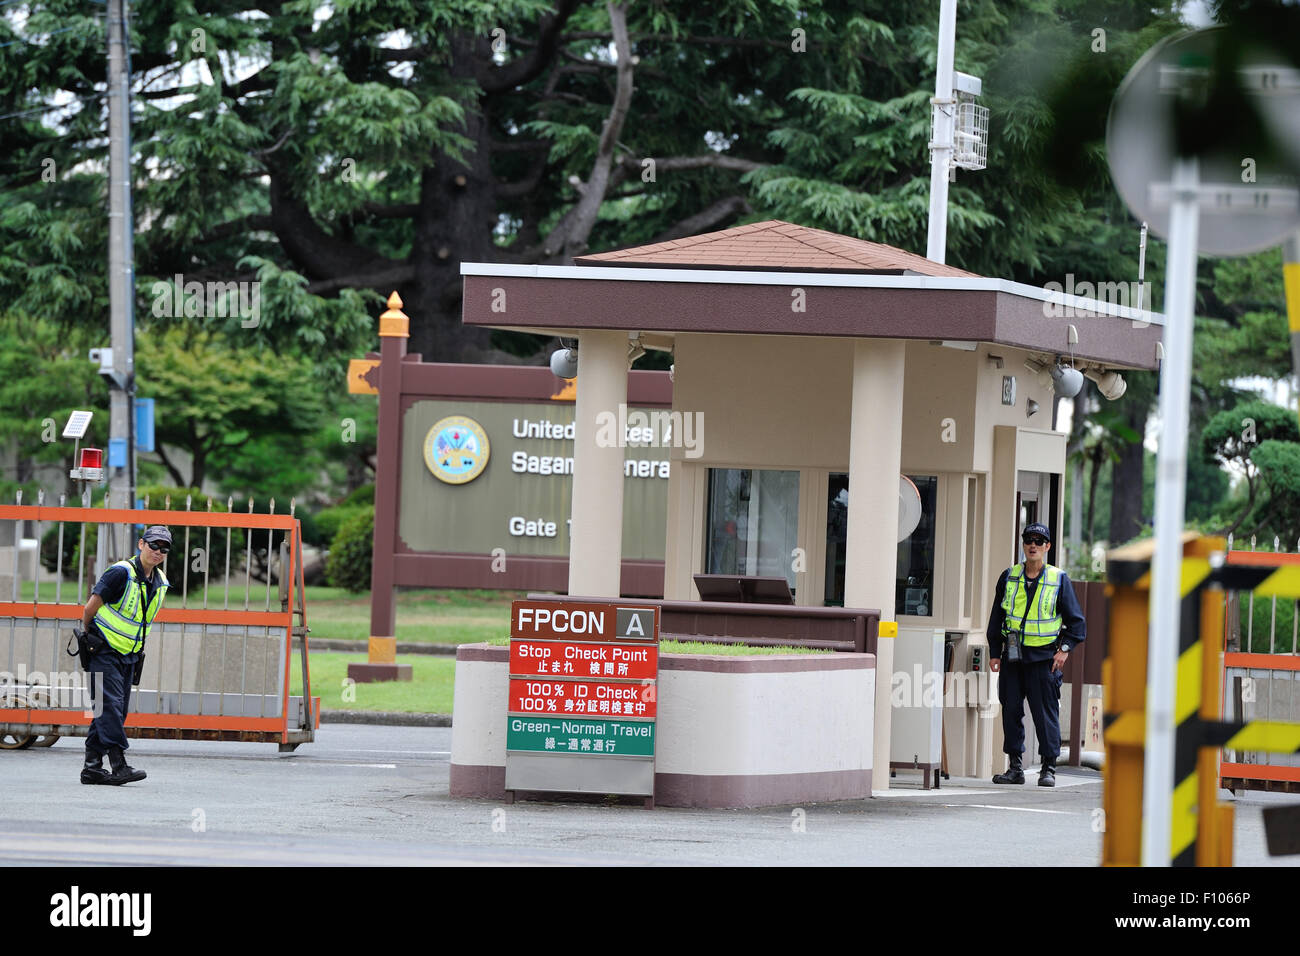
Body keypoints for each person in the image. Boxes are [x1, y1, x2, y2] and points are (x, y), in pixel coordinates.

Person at [986, 522, 1085, 787]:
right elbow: (997, 616)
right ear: (1023, 544)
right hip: (1014, 657)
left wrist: (1064, 650)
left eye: (1039, 541)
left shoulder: (1058, 579)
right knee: (1011, 711)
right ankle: (1015, 767)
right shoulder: (1009, 576)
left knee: (1045, 715)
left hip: (1044, 659)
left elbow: (1077, 624)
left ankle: (1048, 768)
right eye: (1029, 540)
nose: (1033, 545)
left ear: (1047, 547)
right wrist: (995, 652)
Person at [77, 525, 171, 785]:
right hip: (104, 650)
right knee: (109, 709)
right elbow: (90, 609)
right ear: (141, 544)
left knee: (112, 710)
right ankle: (119, 765)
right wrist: (89, 637)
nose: (158, 551)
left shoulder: (159, 582)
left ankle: (92, 768)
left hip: (129, 655)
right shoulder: (121, 573)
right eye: (154, 545)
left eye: (164, 548)